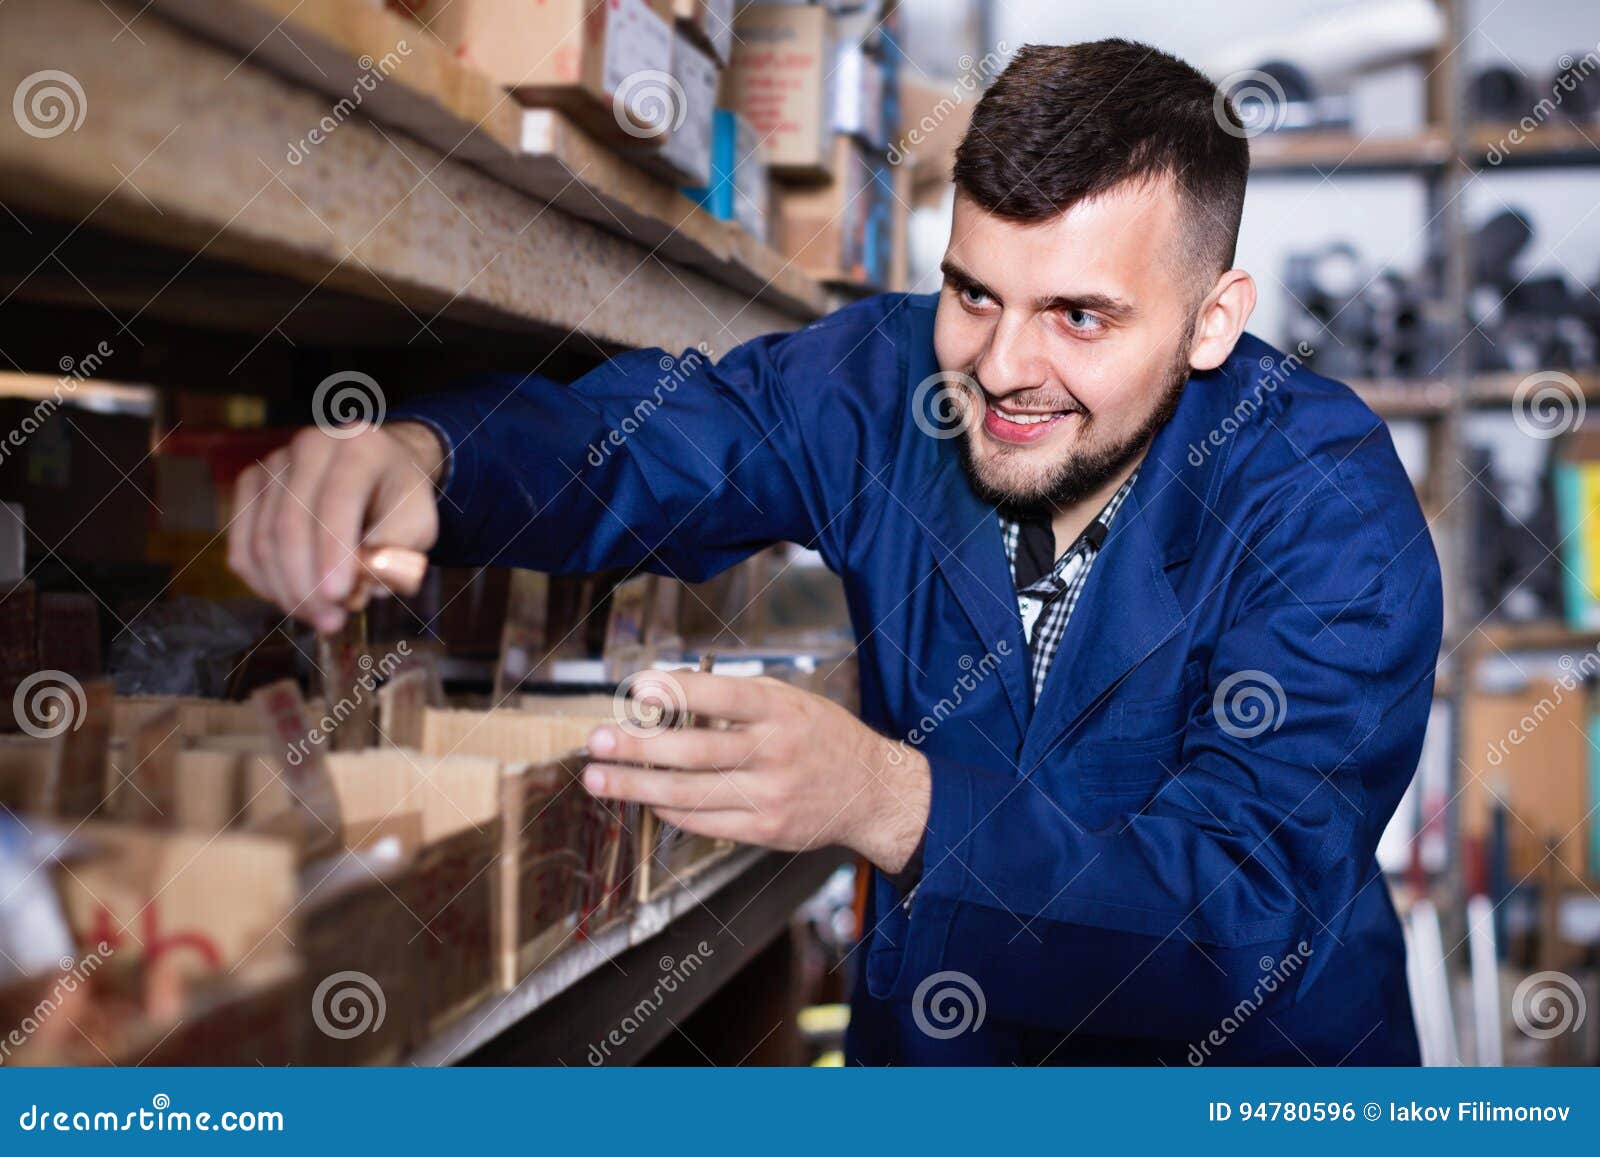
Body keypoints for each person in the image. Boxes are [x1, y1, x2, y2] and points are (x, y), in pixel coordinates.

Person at [228, 39, 1441, 1065]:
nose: (1003, 367)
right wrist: (434, 458)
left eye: (1078, 315)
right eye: (974, 292)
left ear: (1212, 319)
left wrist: (885, 799)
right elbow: (661, 441)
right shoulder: (889, 382)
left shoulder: (1326, 508)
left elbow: (1229, 922)